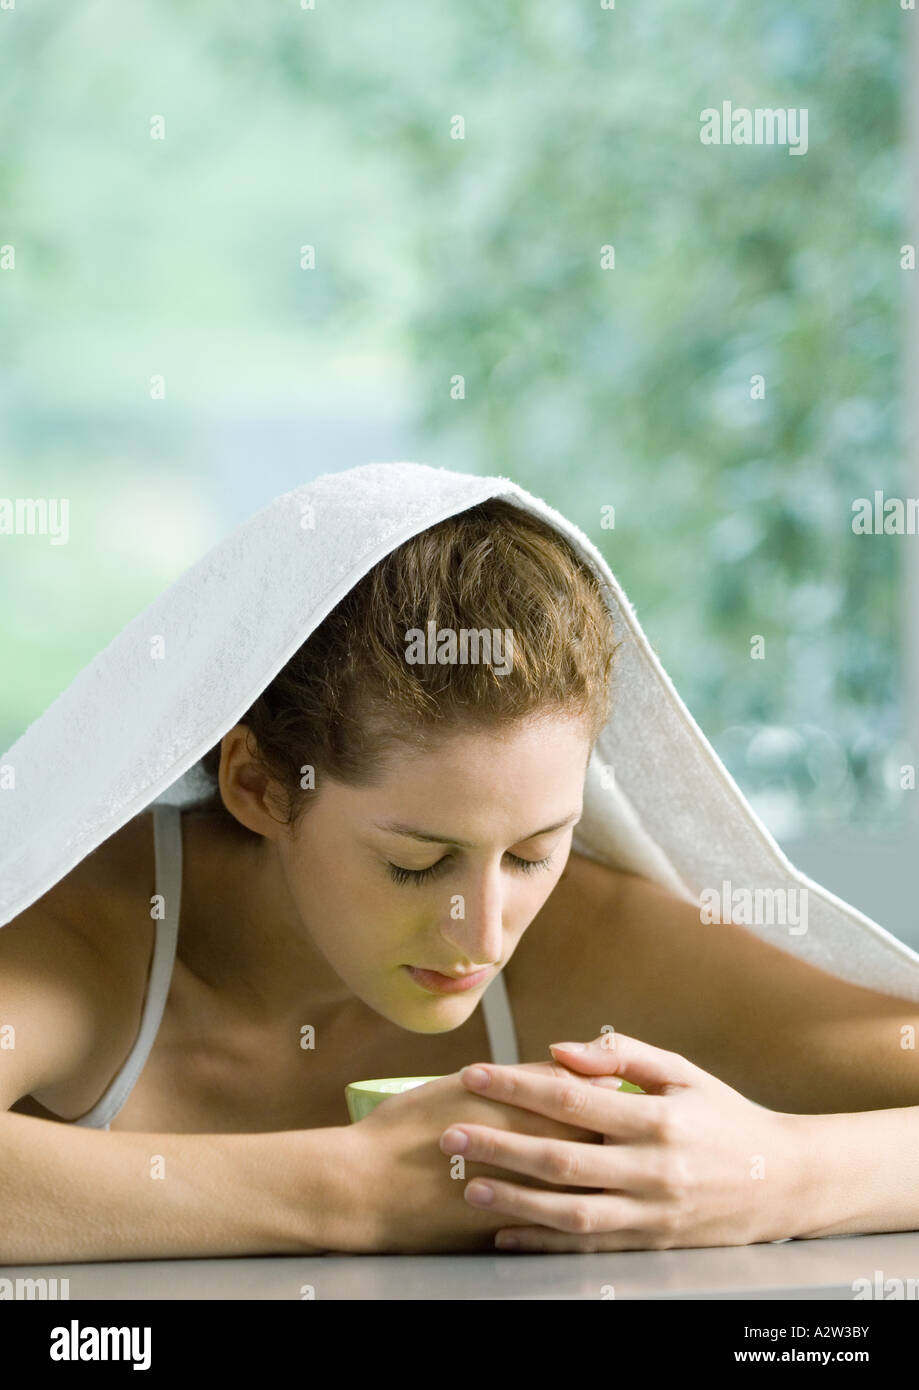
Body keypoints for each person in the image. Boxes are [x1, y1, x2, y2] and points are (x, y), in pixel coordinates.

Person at [2, 497, 918, 1262]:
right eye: (417, 862)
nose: (484, 932)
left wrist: (786, 1176)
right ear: (259, 785)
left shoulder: (585, 946)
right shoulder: (98, 929)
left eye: (533, 852)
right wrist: (352, 1191)